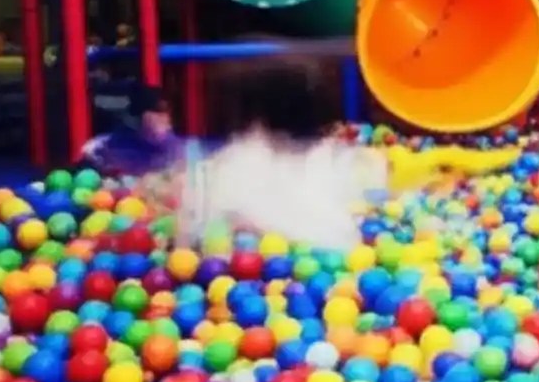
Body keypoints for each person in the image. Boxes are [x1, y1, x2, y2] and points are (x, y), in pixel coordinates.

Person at [132, 53, 388, 251]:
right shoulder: (337, 162)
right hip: (334, 262)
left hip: (252, 276)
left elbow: (190, 235)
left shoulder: (231, 166)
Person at [80, 85, 180, 178]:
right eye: (158, 111)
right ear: (137, 117)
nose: (166, 118)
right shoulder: (102, 147)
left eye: (168, 112)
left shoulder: (177, 148)